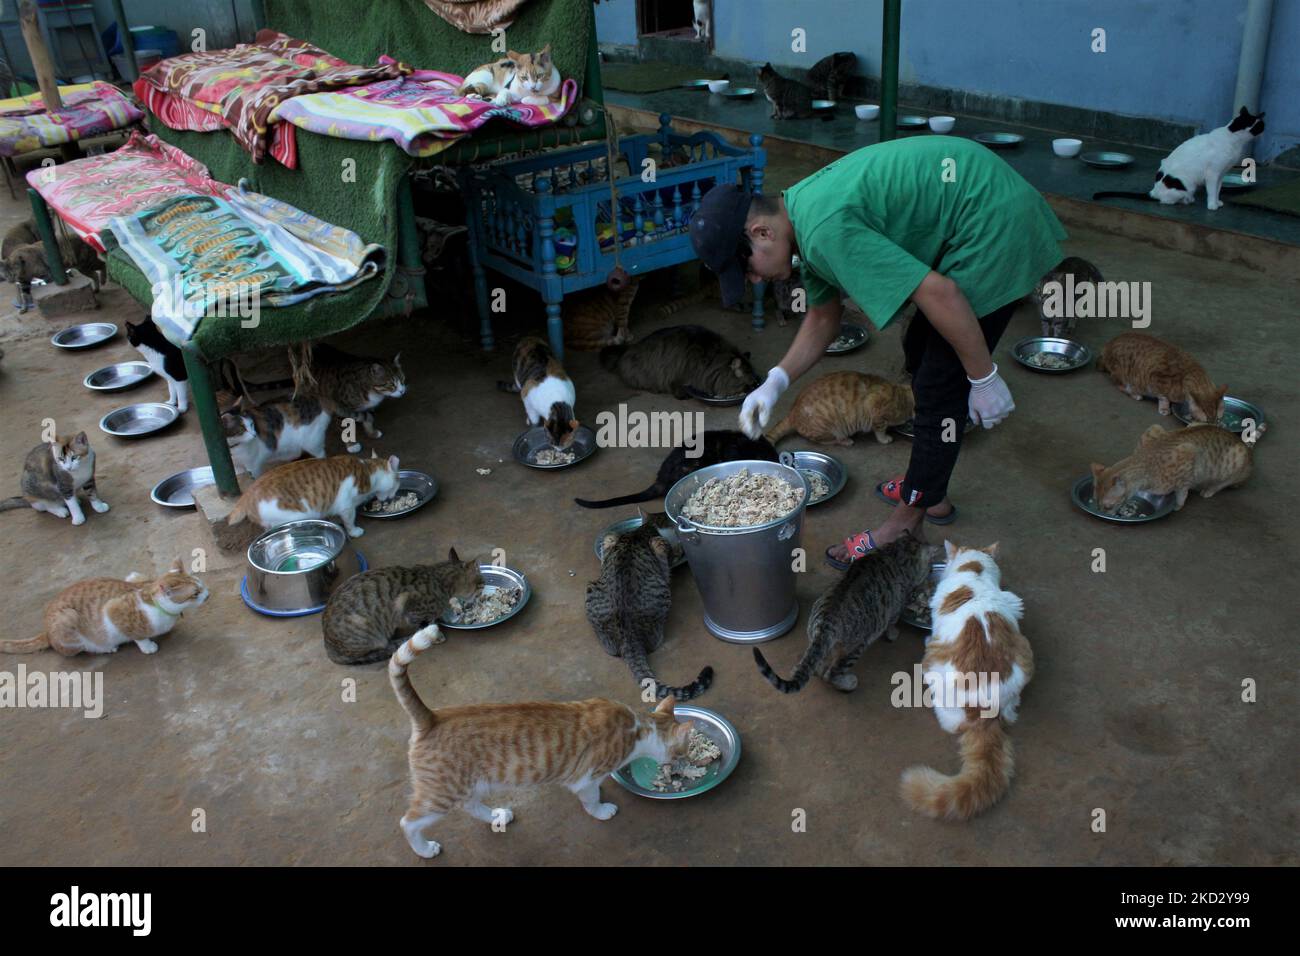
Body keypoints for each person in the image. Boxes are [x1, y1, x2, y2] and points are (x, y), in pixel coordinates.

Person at [689, 135, 1067, 568]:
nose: (754, 281)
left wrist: (984, 378)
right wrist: (776, 381)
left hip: (996, 221)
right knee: (921, 347)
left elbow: (940, 293)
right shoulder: (800, 217)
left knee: (940, 380)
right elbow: (823, 318)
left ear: (761, 232)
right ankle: (931, 489)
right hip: (972, 201)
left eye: (747, 269)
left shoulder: (825, 229)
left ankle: (907, 521)